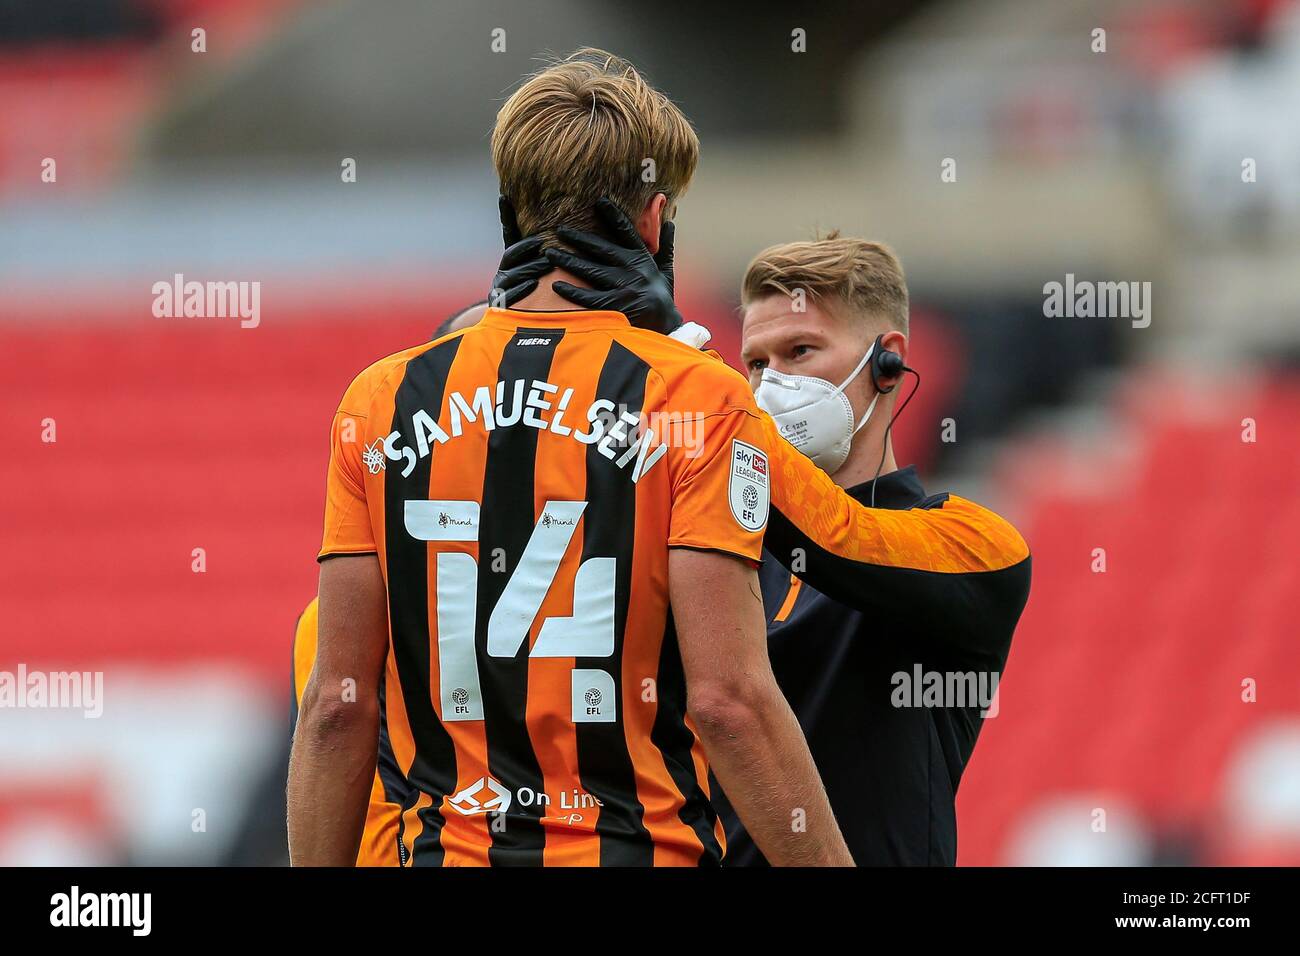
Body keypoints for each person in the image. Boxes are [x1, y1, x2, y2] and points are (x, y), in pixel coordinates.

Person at [287, 48, 851, 867]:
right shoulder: (693, 396)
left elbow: (337, 708)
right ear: (654, 222)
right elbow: (729, 704)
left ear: (511, 215)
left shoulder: (381, 400)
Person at [548, 209, 1032, 865]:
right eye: (755, 362)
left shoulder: (974, 543)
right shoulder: (715, 542)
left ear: (888, 362)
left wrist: (712, 410)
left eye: (800, 352)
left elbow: (838, 534)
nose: (771, 383)